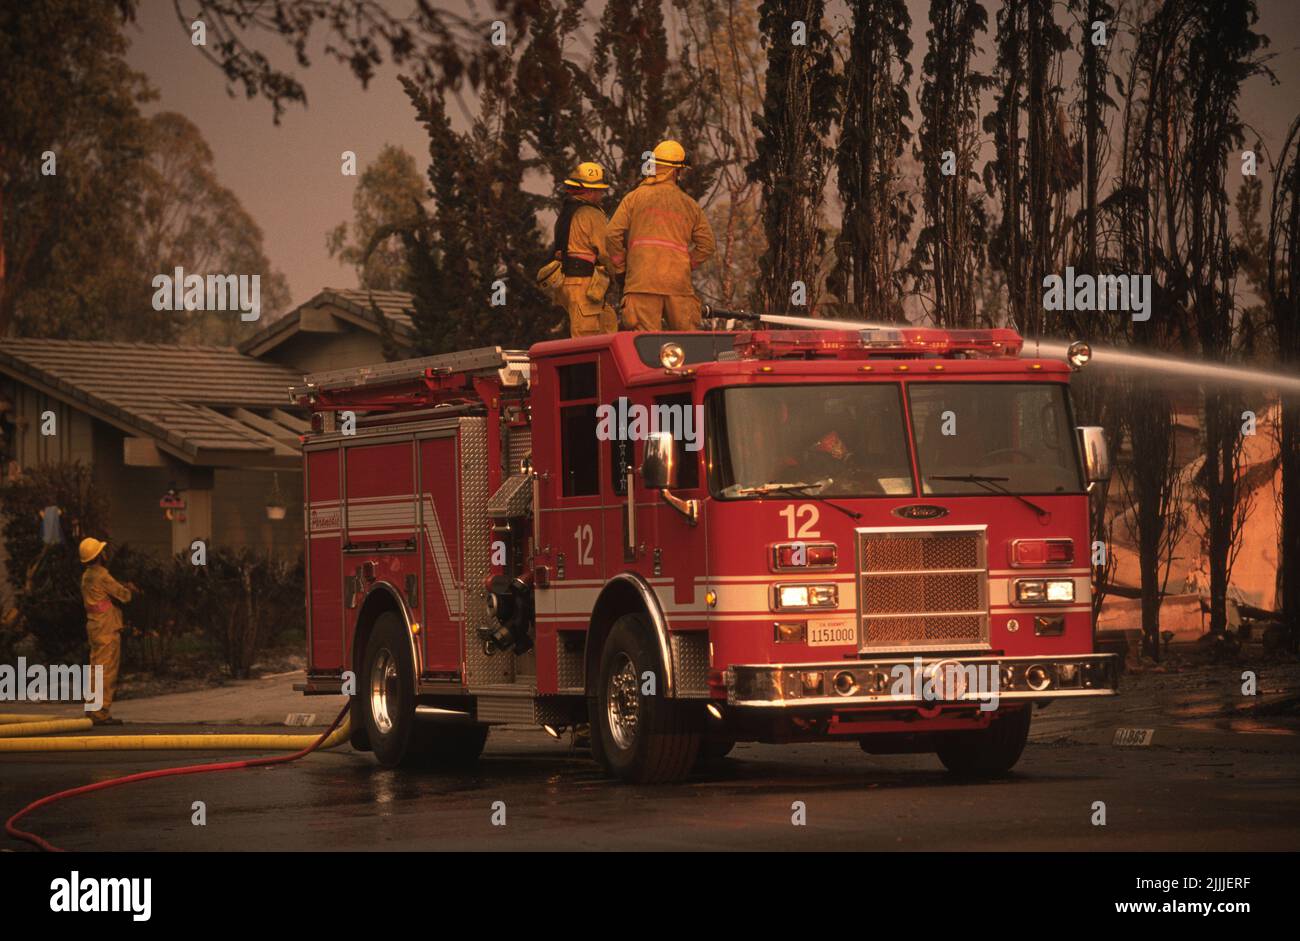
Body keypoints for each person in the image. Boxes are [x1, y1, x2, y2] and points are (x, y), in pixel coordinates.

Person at [606, 139, 715, 331]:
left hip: (641, 283)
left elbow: (611, 234)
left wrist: (621, 268)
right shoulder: (689, 204)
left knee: (643, 347)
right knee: (689, 347)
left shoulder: (634, 198)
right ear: (676, 171)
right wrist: (687, 264)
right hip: (678, 285)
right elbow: (707, 245)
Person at [553, 162, 618, 337]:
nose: (601, 195)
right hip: (584, 283)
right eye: (599, 190)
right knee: (587, 338)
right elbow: (605, 251)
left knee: (607, 324)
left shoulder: (566, 213)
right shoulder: (591, 214)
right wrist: (620, 273)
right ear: (589, 190)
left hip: (570, 283)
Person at [79, 537, 136, 725]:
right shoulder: (101, 575)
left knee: (96, 668)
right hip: (106, 627)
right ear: (99, 555)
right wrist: (129, 589)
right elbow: (123, 595)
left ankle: (92, 707)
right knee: (107, 669)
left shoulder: (87, 576)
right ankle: (101, 711)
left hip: (94, 625)